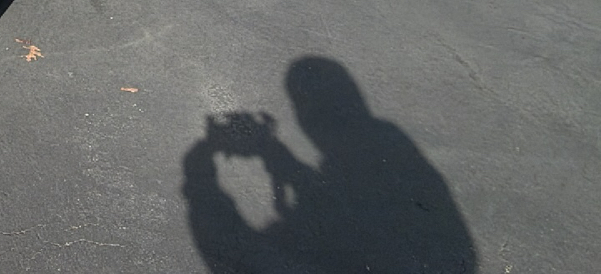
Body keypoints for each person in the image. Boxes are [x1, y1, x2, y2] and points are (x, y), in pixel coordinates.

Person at [182, 57, 477, 273]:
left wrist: (200, 158)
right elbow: (325, 189)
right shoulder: (387, 142)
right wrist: (274, 152)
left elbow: (222, 243)